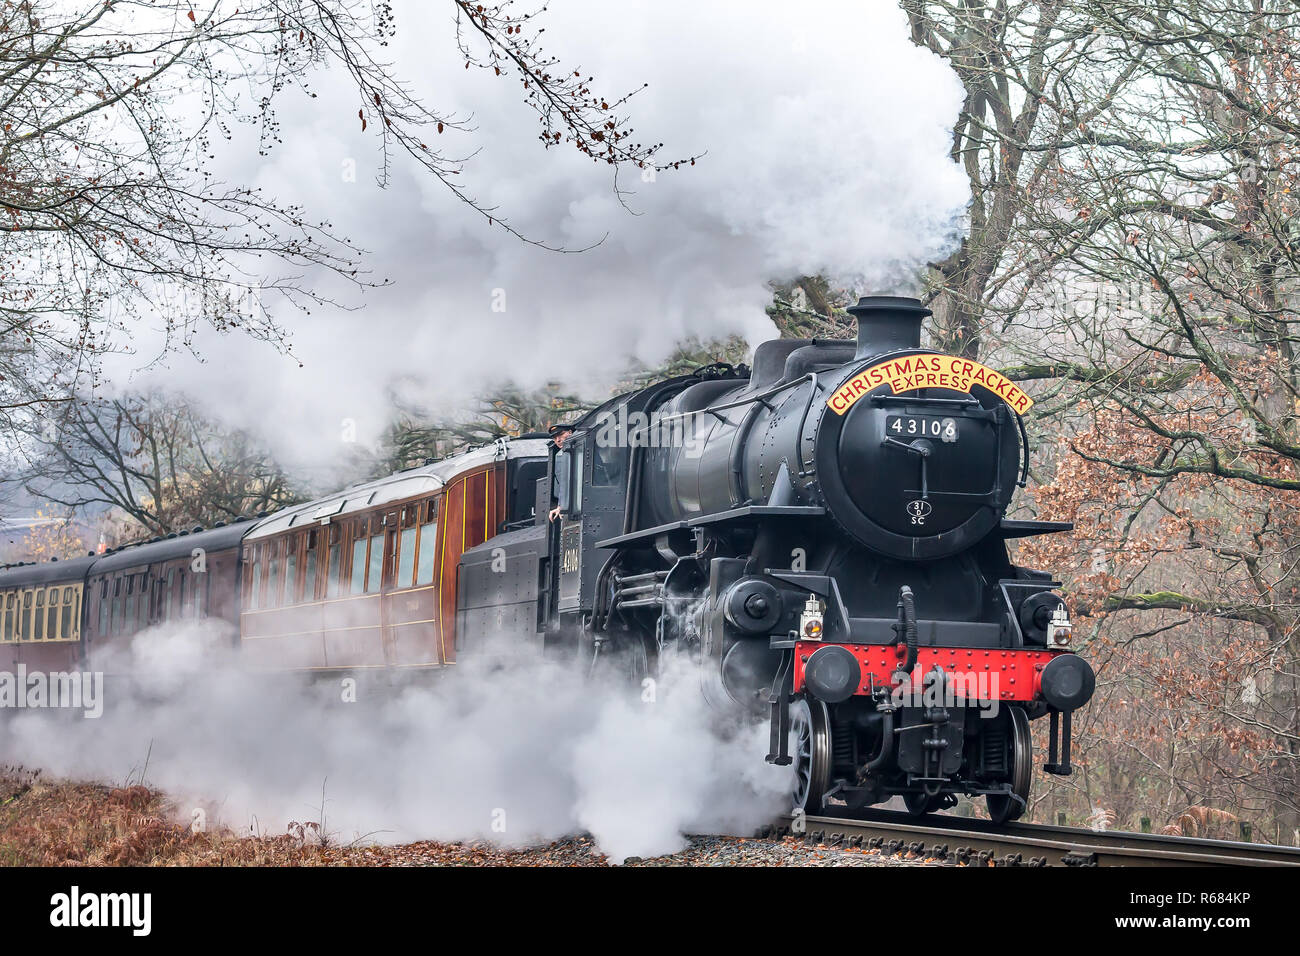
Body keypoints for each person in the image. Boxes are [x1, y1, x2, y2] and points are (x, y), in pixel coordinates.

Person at [548, 425, 574, 522]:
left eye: (561, 435)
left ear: (570, 433)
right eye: (555, 438)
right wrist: (560, 505)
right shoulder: (561, 455)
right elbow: (564, 484)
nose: (558, 440)